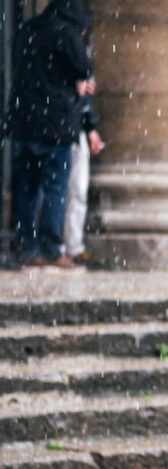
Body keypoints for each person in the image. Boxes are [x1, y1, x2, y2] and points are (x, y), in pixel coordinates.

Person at [4, 0, 93, 268]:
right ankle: (51, 249)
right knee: (55, 189)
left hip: (23, 121)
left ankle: (27, 248)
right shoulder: (67, 33)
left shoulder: (28, 28)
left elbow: (16, 63)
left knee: (26, 189)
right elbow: (84, 68)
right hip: (55, 125)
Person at [64, 79, 105, 267]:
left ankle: (71, 246)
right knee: (65, 191)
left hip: (71, 125)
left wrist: (89, 126)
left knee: (76, 190)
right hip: (60, 125)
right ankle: (61, 246)